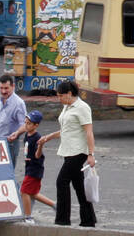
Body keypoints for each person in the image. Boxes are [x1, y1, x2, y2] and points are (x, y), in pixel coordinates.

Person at [40, 79, 97, 227]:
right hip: (67, 150)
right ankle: (88, 219)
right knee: (79, 186)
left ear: (69, 93)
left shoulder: (82, 108)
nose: (59, 99)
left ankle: (62, 220)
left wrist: (91, 154)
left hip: (78, 151)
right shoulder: (67, 107)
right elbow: (67, 129)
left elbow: (89, 132)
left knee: (62, 181)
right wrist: (49, 137)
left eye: (61, 96)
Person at [17, 110, 56, 221]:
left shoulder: (36, 138)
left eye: (29, 123)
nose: (26, 125)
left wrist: (40, 146)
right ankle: (54, 205)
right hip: (28, 166)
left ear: (36, 125)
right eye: (26, 122)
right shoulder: (27, 135)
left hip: (35, 169)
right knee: (33, 193)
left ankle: (28, 217)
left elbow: (37, 155)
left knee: (24, 191)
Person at [0, 73, 27, 148]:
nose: (3, 91)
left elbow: (25, 125)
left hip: (10, 144)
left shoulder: (18, 103)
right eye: (1, 88)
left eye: (6, 88)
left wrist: (17, 133)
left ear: (13, 86)